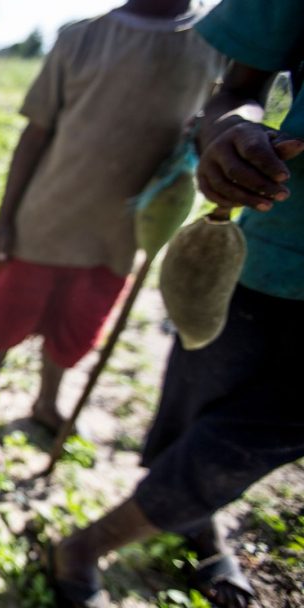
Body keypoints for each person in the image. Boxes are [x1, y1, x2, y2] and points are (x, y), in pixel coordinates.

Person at [48, 1, 304, 606]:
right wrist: (229, 133)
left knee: (255, 437)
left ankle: (90, 544)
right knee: (197, 406)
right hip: (263, 253)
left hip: (259, 250)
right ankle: (199, 524)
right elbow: (238, 91)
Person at [0, 0, 224, 465]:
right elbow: (35, 133)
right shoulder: (81, 38)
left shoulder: (216, 44)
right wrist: (4, 220)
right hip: (48, 220)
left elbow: (222, 118)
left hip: (122, 236)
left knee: (78, 328)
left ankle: (47, 402)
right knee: (4, 319)